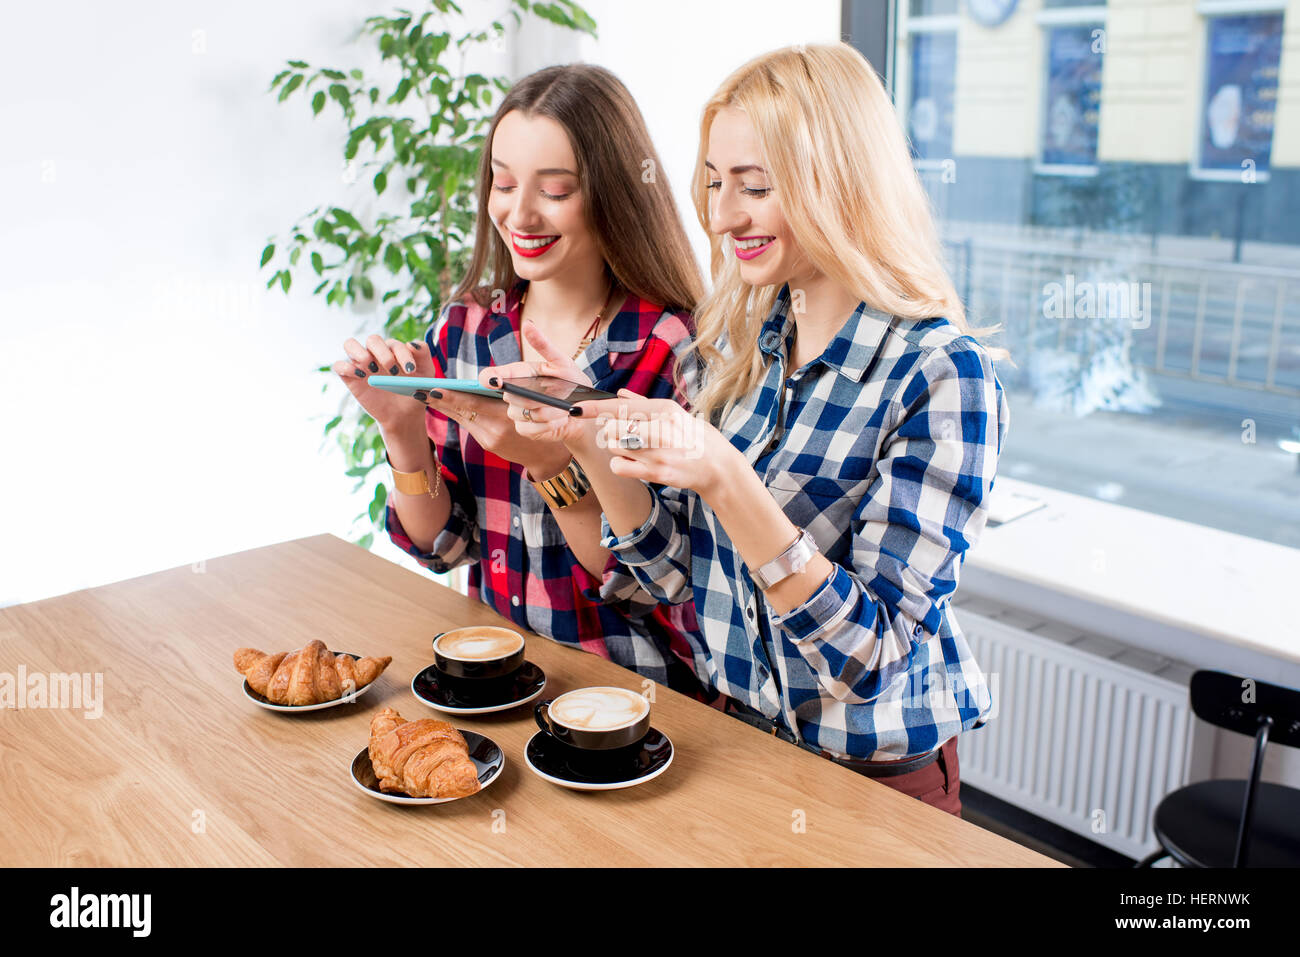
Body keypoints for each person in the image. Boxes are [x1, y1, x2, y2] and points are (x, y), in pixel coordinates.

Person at [500, 44, 1011, 815]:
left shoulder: (939, 374)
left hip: (872, 783)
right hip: (733, 747)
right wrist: (584, 433)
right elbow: (665, 578)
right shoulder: (730, 352)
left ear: (840, 183)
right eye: (714, 183)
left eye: (756, 186)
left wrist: (725, 476)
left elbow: (871, 659)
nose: (722, 214)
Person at [330, 64, 710, 697]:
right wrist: (402, 432)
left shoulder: (670, 348)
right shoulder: (465, 326)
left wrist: (552, 463)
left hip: (635, 700)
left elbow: (656, 586)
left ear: (614, 194)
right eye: (503, 184)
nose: (520, 214)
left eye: (555, 191)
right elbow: (443, 546)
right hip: (498, 681)